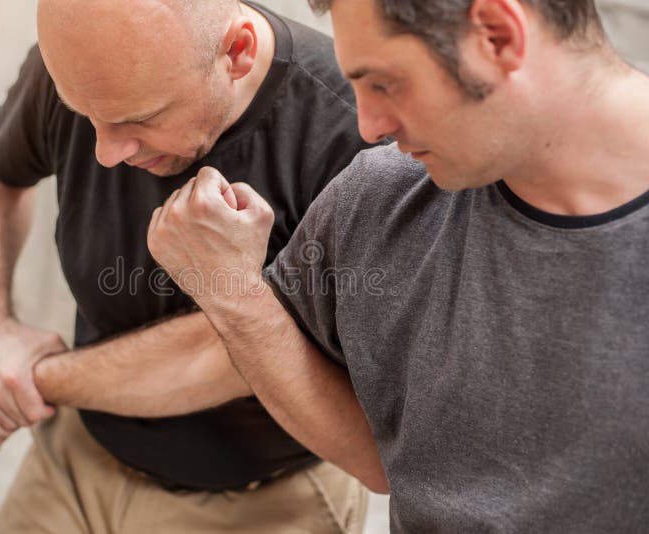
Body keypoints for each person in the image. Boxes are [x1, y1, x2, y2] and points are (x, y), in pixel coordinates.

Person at [146, 0, 649, 532]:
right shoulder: (376, 199)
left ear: (497, 36)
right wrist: (235, 293)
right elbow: (377, 460)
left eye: (384, 83)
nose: (368, 125)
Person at [0, 0, 381, 532]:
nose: (104, 151)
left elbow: (221, 353)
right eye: (86, 115)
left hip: (260, 503)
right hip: (73, 461)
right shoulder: (89, 68)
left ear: (237, 52)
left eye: (138, 119)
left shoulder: (355, 137)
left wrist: (31, 380)